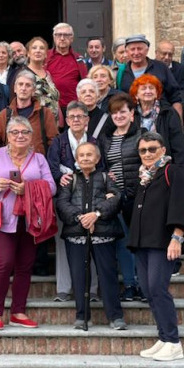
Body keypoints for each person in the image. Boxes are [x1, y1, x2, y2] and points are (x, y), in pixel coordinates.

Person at [0, 116, 57, 330]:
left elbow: (52, 187)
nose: (20, 136)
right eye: (15, 132)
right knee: (5, 262)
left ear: (31, 137)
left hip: (30, 218)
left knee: (25, 265)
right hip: (3, 218)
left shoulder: (39, 158)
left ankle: (18, 312)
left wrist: (28, 188)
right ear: (8, 136)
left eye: (25, 132)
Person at [129, 132, 184, 361]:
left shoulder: (172, 171)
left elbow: (181, 203)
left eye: (152, 149)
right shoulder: (144, 176)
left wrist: (177, 238)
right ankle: (163, 337)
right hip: (143, 242)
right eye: (143, 150)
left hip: (163, 242)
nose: (147, 154)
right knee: (148, 290)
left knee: (158, 288)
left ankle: (173, 342)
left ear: (163, 150)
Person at [56, 142, 126, 330]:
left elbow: (117, 199)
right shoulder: (69, 180)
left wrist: (96, 215)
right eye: (82, 155)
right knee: (79, 276)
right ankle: (82, 315)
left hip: (103, 234)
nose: (86, 158)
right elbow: (62, 204)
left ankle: (115, 316)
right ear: (77, 159)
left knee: (108, 275)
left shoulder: (106, 178)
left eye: (89, 155)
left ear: (97, 158)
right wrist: (81, 218)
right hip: (76, 235)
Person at [46, 101, 101, 302]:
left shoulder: (95, 142)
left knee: (92, 240)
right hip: (65, 199)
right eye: (72, 117)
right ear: (66, 120)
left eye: (80, 116)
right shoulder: (58, 142)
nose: (76, 120)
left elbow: (101, 167)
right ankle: (64, 288)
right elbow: (50, 168)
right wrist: (59, 177)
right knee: (63, 243)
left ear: (87, 120)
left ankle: (92, 289)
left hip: (91, 198)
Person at [96, 93, 143, 302]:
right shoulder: (106, 138)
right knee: (123, 242)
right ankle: (131, 284)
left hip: (139, 194)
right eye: (115, 113)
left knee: (140, 242)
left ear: (132, 114)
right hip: (117, 197)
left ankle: (144, 284)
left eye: (123, 111)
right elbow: (101, 166)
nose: (119, 116)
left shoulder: (142, 135)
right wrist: (108, 176)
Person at [0, 70, 59, 155]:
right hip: (10, 166)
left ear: (33, 90)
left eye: (28, 85)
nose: (23, 88)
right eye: (20, 84)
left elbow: (54, 142)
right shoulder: (4, 115)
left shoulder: (45, 113)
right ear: (15, 88)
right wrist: (3, 159)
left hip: (38, 165)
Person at [117, 34, 182, 116]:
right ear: (127, 52)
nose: (136, 53)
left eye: (140, 49)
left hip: (162, 120)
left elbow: (175, 98)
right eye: (132, 49)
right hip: (133, 122)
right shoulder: (122, 72)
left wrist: (179, 124)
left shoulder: (161, 68)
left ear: (147, 50)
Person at [129, 74, 184, 165]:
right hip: (137, 165)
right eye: (143, 88)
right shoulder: (131, 114)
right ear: (136, 95)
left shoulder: (168, 112)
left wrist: (179, 170)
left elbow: (178, 146)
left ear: (157, 93)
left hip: (164, 165)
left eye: (151, 88)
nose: (148, 91)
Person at [46, 22, 88, 114]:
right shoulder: (45, 57)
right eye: (59, 35)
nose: (62, 38)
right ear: (54, 37)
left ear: (72, 38)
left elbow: (85, 82)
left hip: (72, 107)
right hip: (50, 106)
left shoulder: (79, 59)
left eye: (66, 35)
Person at [24, 36, 61, 119]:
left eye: (42, 48)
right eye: (34, 48)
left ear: (45, 55)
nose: (38, 51)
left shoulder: (48, 74)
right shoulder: (23, 74)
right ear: (28, 53)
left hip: (53, 124)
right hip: (34, 123)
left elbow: (54, 99)